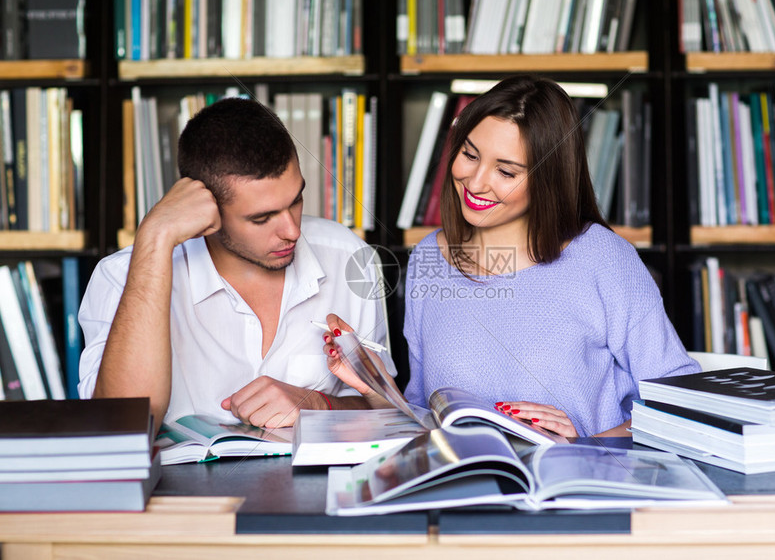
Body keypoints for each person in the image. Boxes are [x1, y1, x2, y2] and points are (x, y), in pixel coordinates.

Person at [322, 75, 698, 438]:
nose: (476, 182)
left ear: (548, 179)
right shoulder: (427, 260)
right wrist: (374, 385)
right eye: (469, 154)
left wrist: (587, 446)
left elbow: (683, 406)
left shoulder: (604, 258)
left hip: (574, 478)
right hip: (465, 478)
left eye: (505, 171)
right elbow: (425, 415)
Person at [77, 97, 390, 430]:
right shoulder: (122, 276)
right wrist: (154, 236)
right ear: (207, 212)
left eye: (296, 200)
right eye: (262, 218)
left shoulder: (349, 257)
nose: (292, 231)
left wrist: (317, 405)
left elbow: (387, 411)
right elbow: (121, 430)